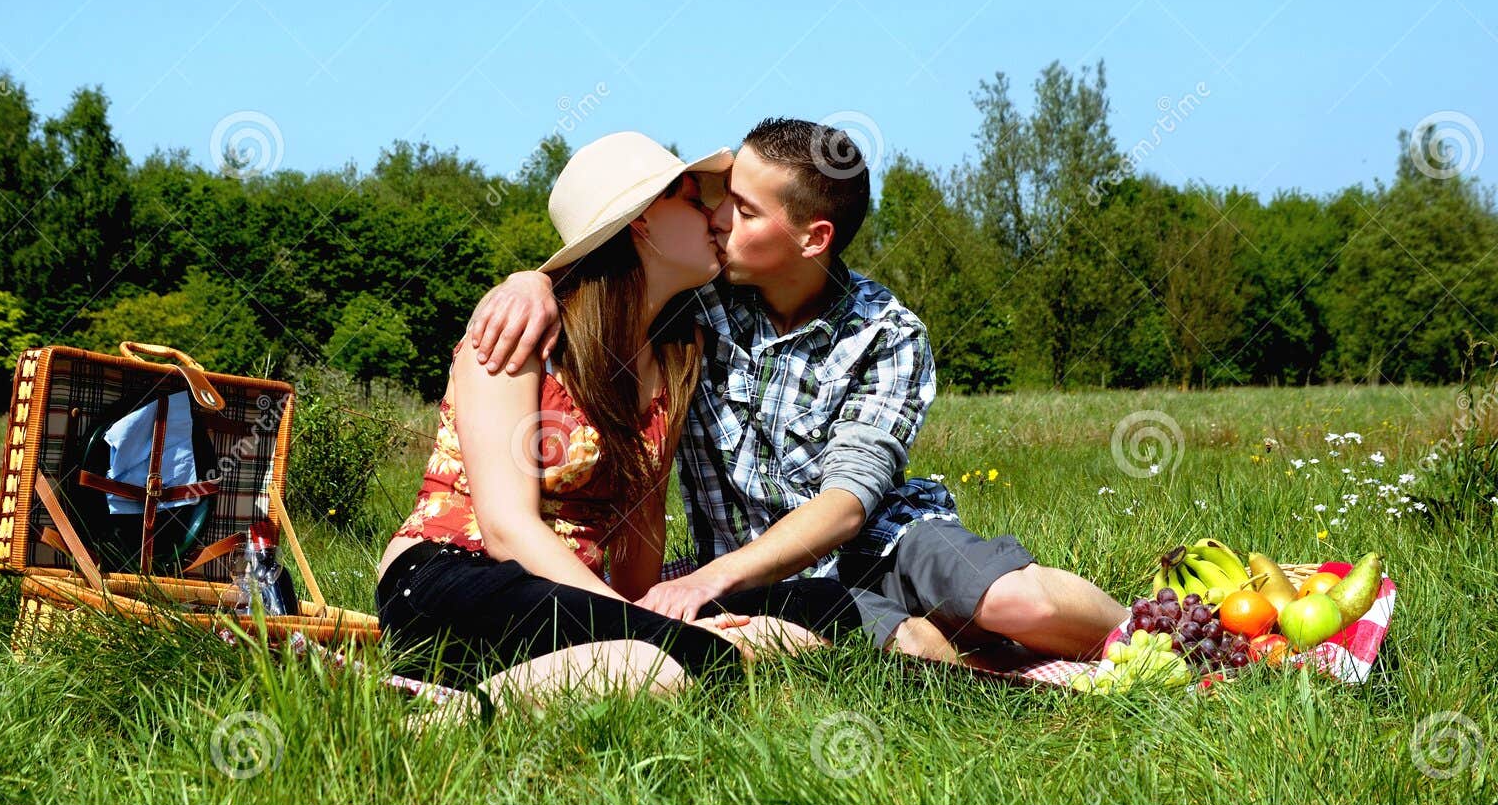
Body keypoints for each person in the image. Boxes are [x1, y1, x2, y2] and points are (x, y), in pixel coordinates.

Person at [467, 117, 1126, 667]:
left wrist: (709, 577)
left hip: (886, 542)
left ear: (813, 238)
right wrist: (528, 280)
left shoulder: (886, 332)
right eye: (724, 197)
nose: (719, 217)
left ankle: (1153, 628)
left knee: (1021, 605)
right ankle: (989, 653)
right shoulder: (694, 301)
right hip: (759, 578)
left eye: (745, 209)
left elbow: (846, 505)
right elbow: (609, 271)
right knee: (917, 659)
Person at [376, 131, 862, 721]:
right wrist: (647, 625)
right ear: (640, 224)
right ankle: (452, 719)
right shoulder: (521, 334)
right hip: (456, 575)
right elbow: (507, 530)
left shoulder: (678, 351)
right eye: (690, 199)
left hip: (576, 596)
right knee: (674, 656)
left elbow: (643, 524)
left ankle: (610, 666)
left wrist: (649, 606)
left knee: (826, 604)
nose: (714, 215)